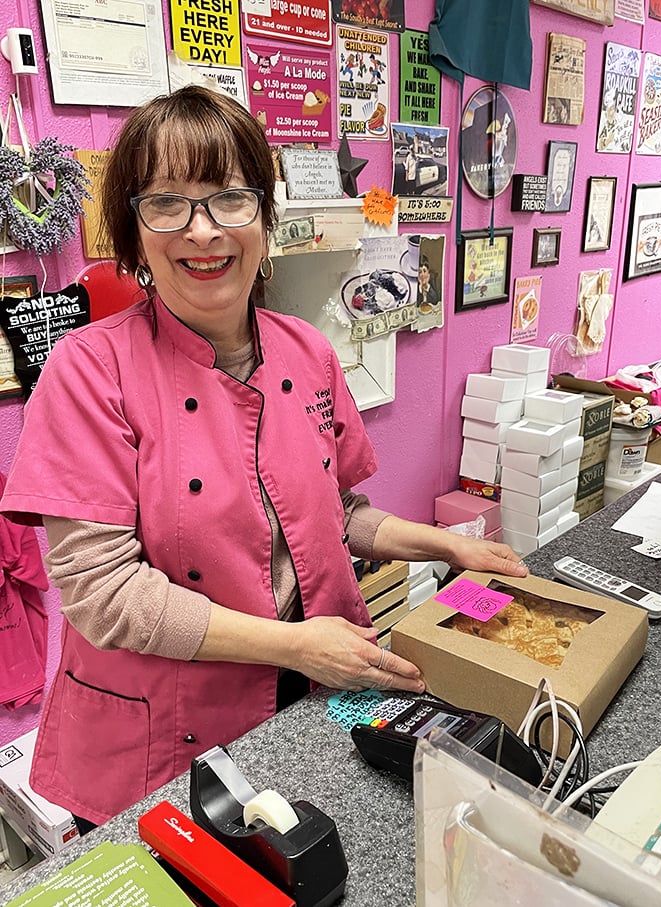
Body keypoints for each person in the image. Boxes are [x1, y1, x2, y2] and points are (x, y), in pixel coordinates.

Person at [0, 86, 527, 830]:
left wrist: (442, 544)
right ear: (134, 228)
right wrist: (295, 645)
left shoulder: (308, 349)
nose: (203, 230)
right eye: (167, 204)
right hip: (158, 737)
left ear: (264, 214)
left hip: (307, 694)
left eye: (227, 198)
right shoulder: (88, 372)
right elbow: (104, 592)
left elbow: (331, 512)